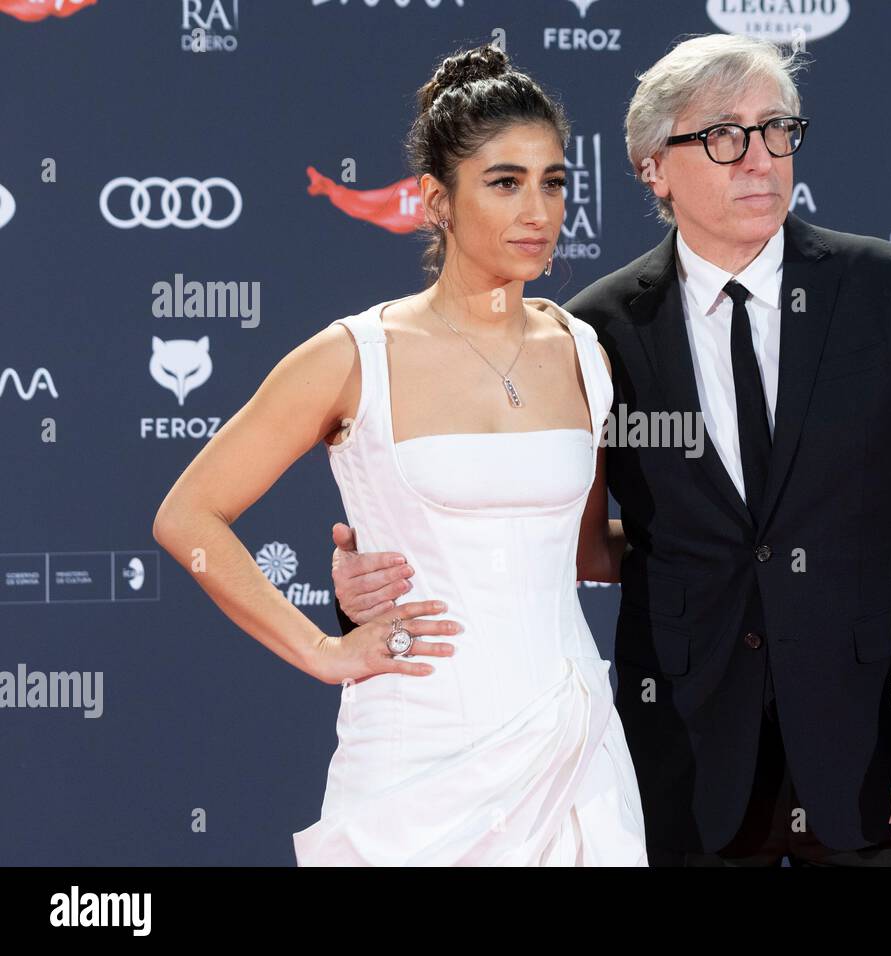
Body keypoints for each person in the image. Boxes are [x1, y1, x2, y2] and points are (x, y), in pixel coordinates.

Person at [334, 34, 891, 866]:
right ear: (653, 168)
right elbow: (547, 534)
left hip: (870, 753)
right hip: (682, 759)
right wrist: (377, 585)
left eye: (777, 130)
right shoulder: (593, 332)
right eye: (723, 136)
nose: (759, 159)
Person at [153, 44, 648, 866]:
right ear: (434, 202)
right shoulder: (354, 356)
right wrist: (323, 648)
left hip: (575, 749)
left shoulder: (582, 350)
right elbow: (187, 515)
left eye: (553, 181)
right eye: (504, 182)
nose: (539, 209)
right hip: (419, 755)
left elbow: (590, 549)